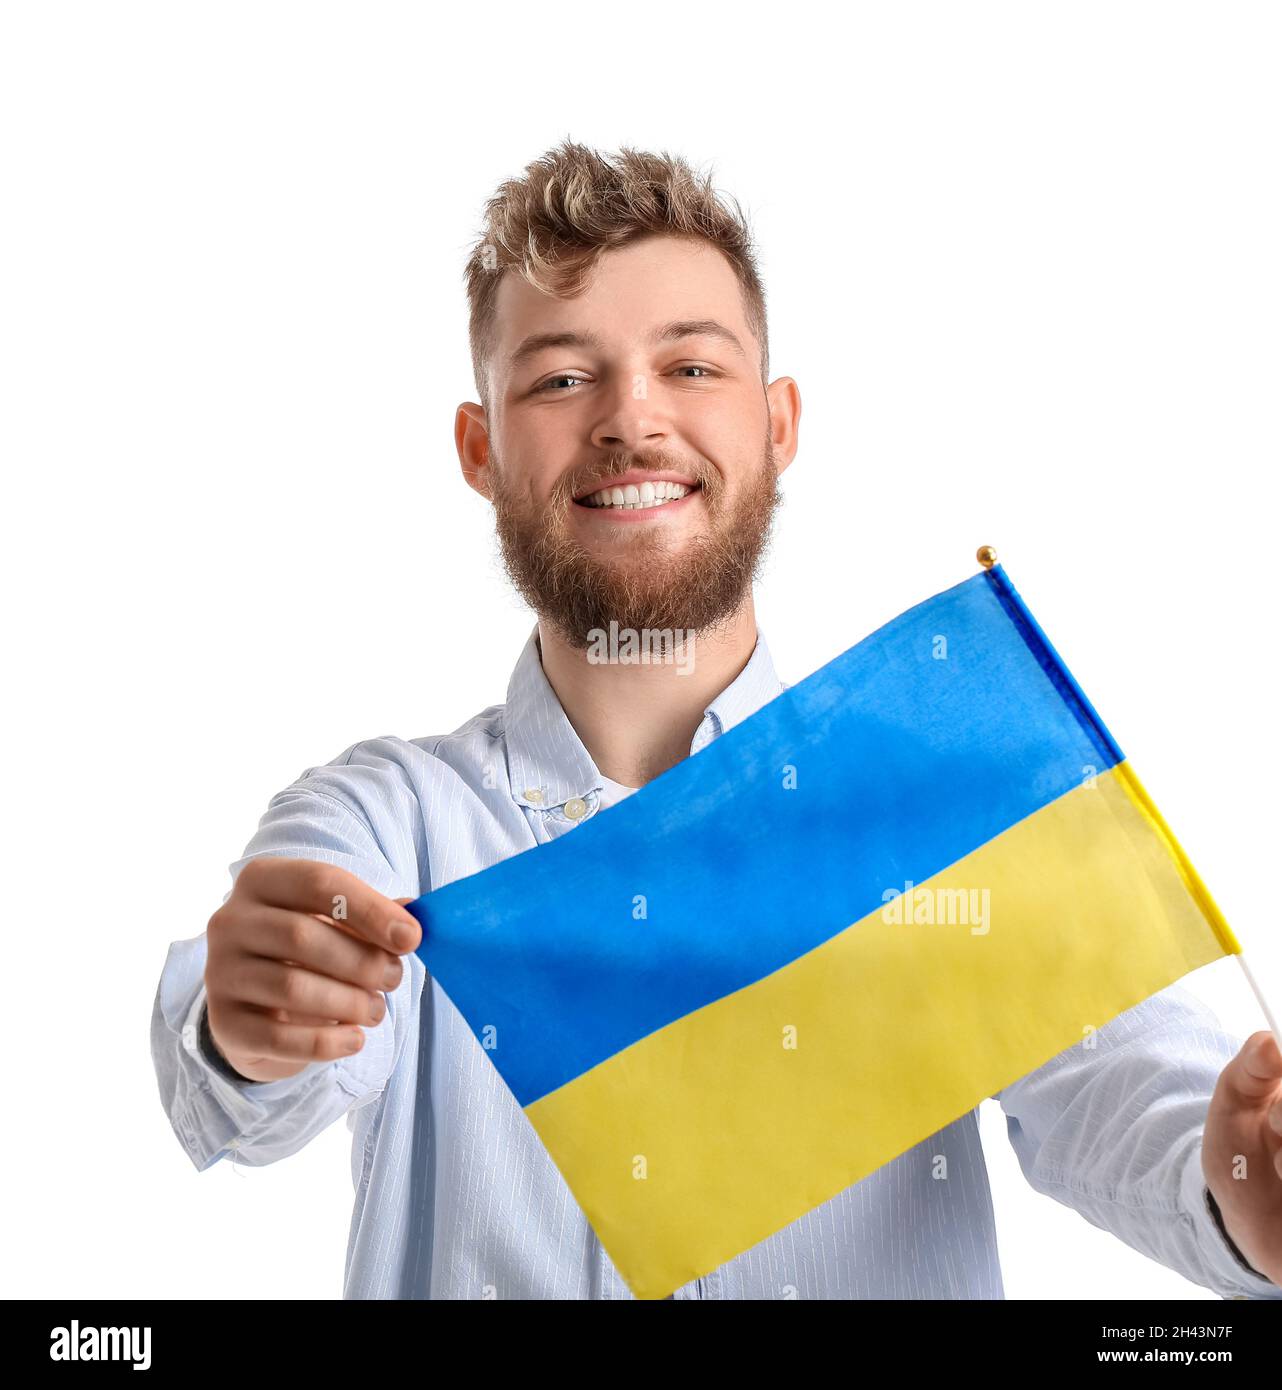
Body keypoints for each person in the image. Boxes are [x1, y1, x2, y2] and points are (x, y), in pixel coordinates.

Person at [150, 139, 1282, 1300]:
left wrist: (1245, 1184)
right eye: (557, 378)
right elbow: (249, 1074)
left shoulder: (927, 812)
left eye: (690, 367)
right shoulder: (386, 823)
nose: (631, 420)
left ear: (778, 424)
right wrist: (249, 1023)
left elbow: (1138, 1095)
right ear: (479, 451)